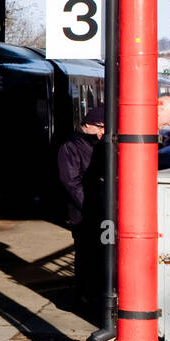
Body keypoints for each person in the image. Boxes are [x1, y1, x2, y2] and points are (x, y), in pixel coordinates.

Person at [57, 105, 106, 309]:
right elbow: (71, 181)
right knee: (86, 254)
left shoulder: (101, 144)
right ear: (87, 124)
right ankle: (84, 296)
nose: (102, 131)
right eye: (99, 126)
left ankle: (94, 293)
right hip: (84, 212)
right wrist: (90, 206)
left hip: (100, 208)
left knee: (100, 255)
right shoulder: (70, 147)